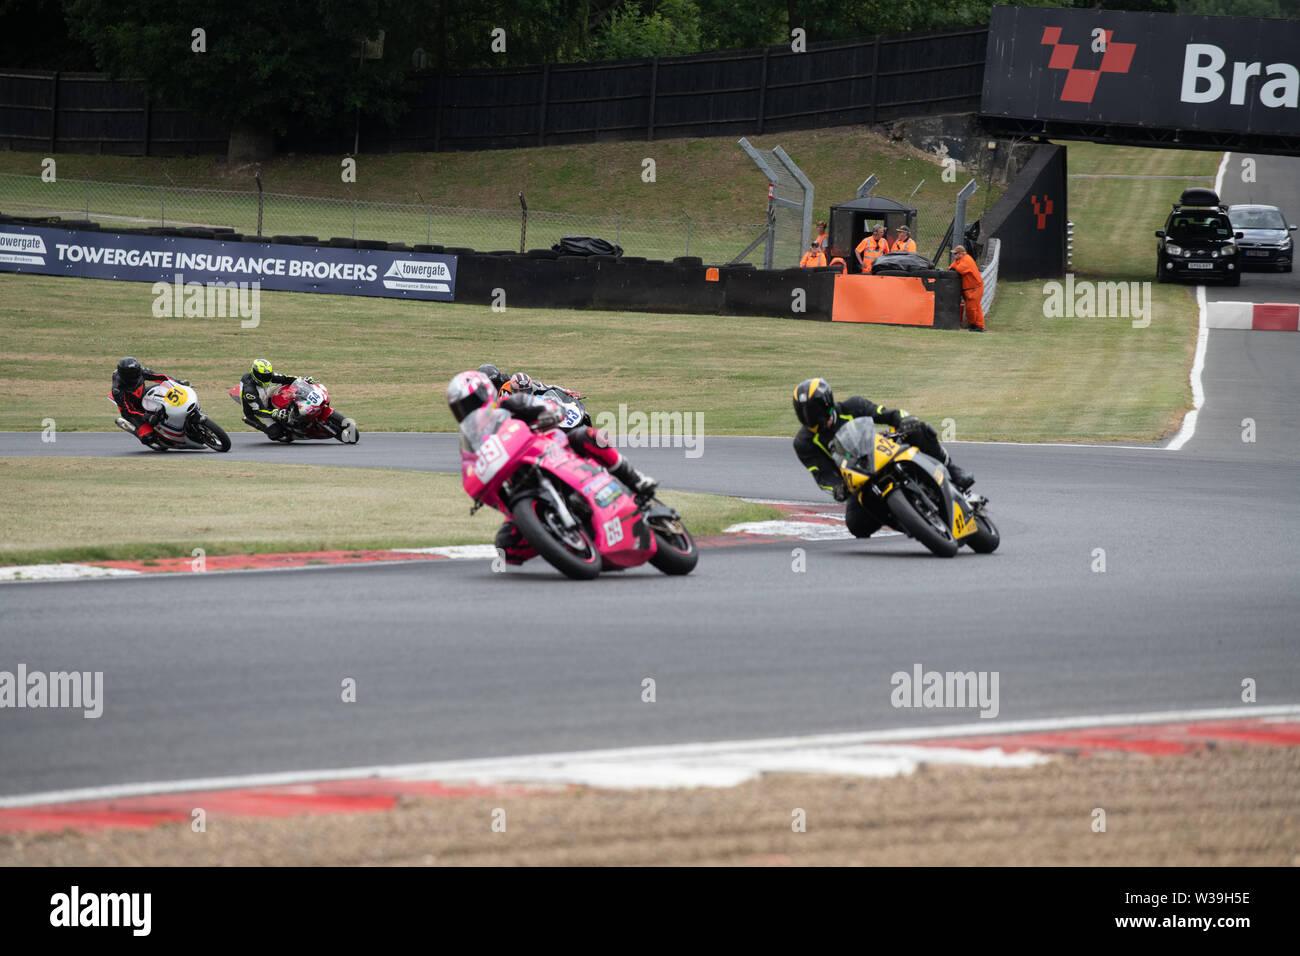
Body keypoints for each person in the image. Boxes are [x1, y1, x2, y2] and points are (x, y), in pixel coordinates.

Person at [447, 370, 658, 565]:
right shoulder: (472, 438)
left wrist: (550, 413)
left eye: (471, 402)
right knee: (506, 547)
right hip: (521, 483)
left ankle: (635, 479)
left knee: (588, 437)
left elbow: (553, 408)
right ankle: (563, 542)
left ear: (487, 394)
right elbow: (470, 466)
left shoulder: (511, 404)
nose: (467, 410)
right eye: (460, 407)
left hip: (549, 452)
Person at [792, 377, 974, 540]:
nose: (810, 416)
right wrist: (837, 488)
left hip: (881, 452)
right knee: (856, 526)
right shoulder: (804, 443)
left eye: (813, 410)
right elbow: (822, 475)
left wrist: (904, 419)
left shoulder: (853, 406)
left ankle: (953, 470)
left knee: (919, 429)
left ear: (826, 403)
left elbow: (889, 414)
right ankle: (906, 520)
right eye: (804, 412)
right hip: (857, 478)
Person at [239, 358, 348, 441]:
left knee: (288, 393)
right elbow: (259, 410)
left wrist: (303, 380)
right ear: (255, 374)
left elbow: (286, 378)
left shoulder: (268, 376)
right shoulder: (250, 391)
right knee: (276, 433)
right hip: (256, 411)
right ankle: (269, 427)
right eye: (263, 376)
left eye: (268, 375)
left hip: (266, 396)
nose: (267, 378)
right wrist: (275, 413)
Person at [112, 356, 187, 448]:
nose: (137, 375)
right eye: (133, 374)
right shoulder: (118, 389)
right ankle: (134, 429)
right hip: (133, 411)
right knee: (148, 437)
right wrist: (146, 416)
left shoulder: (140, 371)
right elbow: (128, 411)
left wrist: (178, 382)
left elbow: (161, 377)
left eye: (137, 372)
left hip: (143, 394)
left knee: (165, 391)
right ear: (126, 376)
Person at [950, 245, 985, 332]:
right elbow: (951, 267)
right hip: (969, 288)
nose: (954, 255)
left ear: (961, 254)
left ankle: (975, 326)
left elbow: (959, 269)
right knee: (975, 307)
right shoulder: (959, 260)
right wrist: (952, 268)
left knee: (972, 308)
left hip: (975, 288)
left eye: (956, 253)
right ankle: (978, 326)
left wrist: (953, 268)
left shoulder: (967, 260)